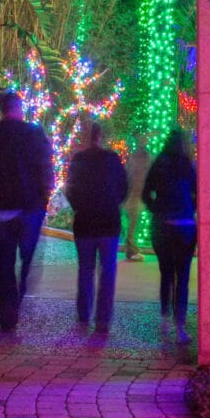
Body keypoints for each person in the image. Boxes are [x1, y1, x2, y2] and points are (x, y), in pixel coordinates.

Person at [0, 91, 54, 332]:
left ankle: (8, 313)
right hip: (29, 210)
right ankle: (17, 298)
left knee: (2, 264)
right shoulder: (34, 135)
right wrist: (42, 199)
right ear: (19, 107)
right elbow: (46, 169)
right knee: (27, 259)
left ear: (1, 109)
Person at [64, 122, 129, 333]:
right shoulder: (111, 159)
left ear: (85, 137)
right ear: (101, 136)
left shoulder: (78, 160)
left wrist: (79, 207)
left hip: (85, 223)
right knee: (108, 271)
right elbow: (123, 187)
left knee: (86, 270)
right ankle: (103, 320)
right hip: (108, 222)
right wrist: (112, 203)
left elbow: (70, 189)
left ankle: (84, 315)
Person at [143, 129, 197, 344]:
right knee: (182, 278)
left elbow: (146, 193)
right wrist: (189, 208)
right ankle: (180, 328)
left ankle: (165, 319)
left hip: (163, 226)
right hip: (184, 226)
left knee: (166, 274)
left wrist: (157, 208)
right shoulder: (187, 165)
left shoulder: (159, 164)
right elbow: (199, 191)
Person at [122, 147, 151, 261]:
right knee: (133, 225)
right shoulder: (138, 166)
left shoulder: (133, 163)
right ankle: (132, 250)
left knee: (132, 224)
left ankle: (131, 250)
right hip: (134, 197)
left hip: (134, 197)